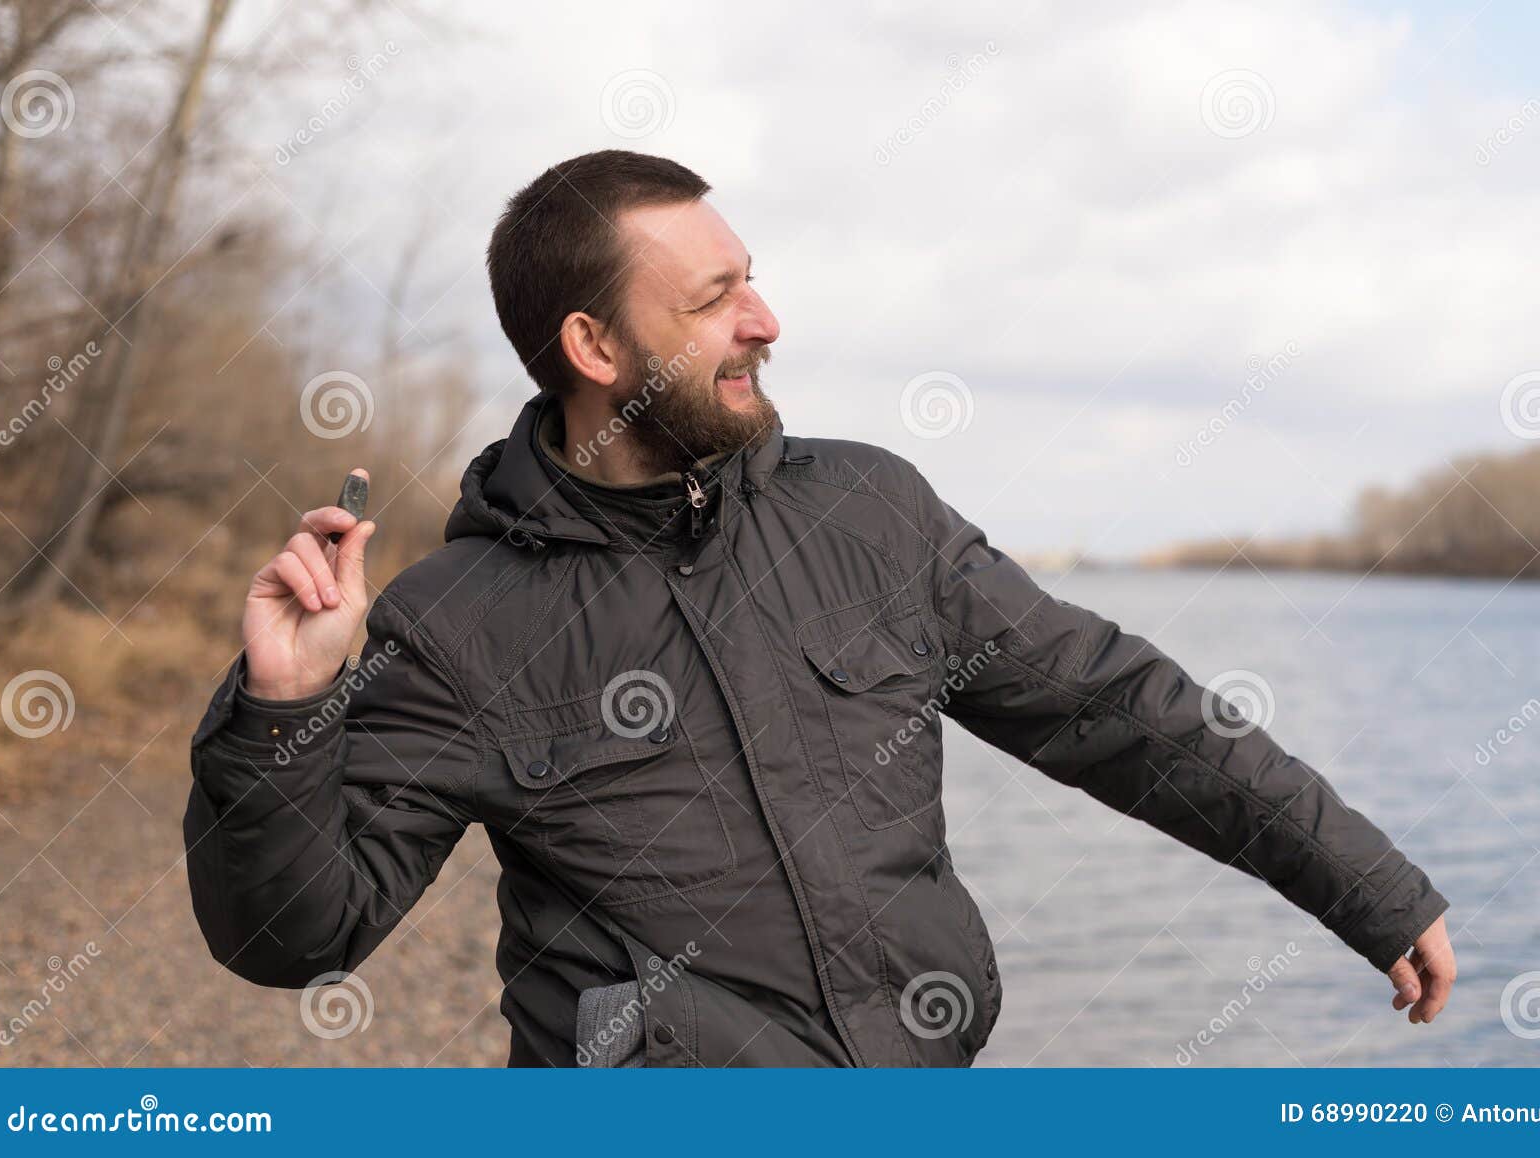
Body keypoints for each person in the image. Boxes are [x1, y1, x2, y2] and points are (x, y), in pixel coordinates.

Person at [182, 150, 1456, 1067]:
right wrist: (284, 707)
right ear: (594, 350)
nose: (764, 321)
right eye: (710, 301)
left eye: (752, 279)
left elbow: (1122, 712)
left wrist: (1365, 887)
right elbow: (296, 937)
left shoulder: (870, 512)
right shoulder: (456, 618)